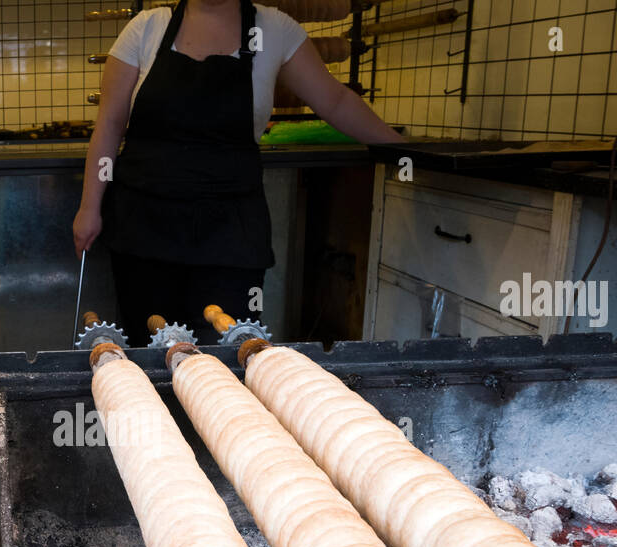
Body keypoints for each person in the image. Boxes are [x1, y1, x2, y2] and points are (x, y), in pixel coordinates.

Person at [73, 0, 403, 344]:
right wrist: (89, 207)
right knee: (149, 351)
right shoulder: (146, 28)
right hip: (143, 229)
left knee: (230, 349)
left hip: (231, 236)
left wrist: (401, 149)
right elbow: (110, 124)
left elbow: (335, 101)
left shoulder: (273, 29)